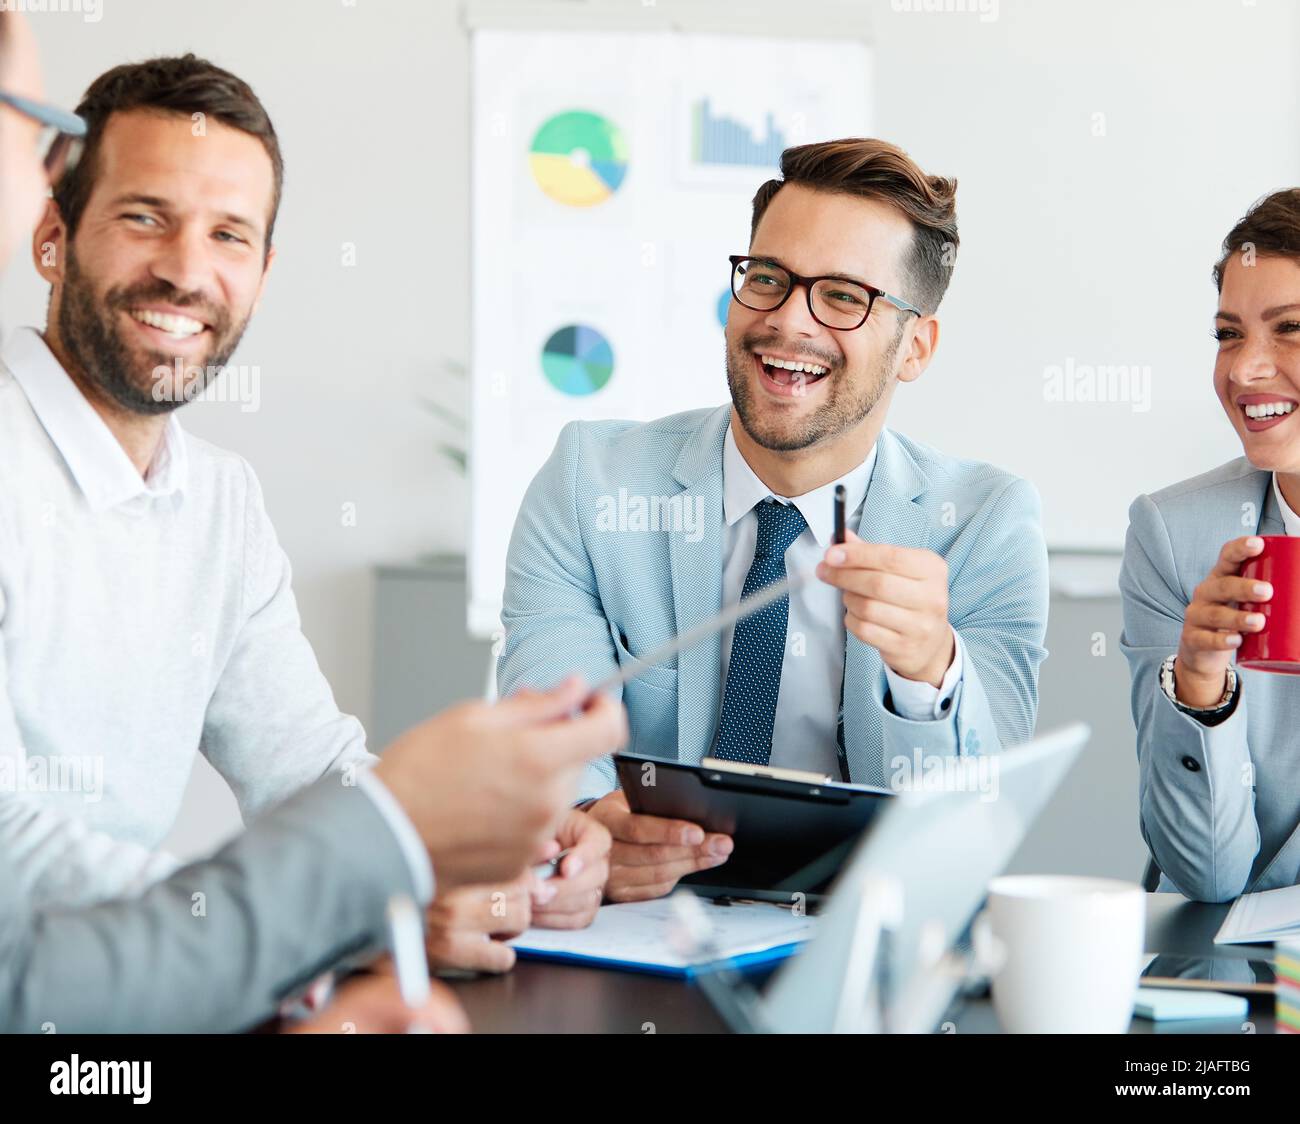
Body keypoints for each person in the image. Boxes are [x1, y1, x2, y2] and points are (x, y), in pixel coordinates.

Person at [0, 9, 627, 1031]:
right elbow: (9, 865)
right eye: (145, 216)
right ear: (51, 235)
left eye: (228, 235)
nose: (187, 270)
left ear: (263, 272)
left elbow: (308, 765)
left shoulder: (221, 499)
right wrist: (345, 899)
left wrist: (500, 845)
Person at [498, 138, 1050, 903]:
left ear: (915, 346)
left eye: (844, 296)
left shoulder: (985, 524)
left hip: (861, 951)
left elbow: (971, 834)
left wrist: (928, 673)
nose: (789, 321)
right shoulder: (591, 485)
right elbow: (548, 743)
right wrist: (590, 824)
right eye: (768, 279)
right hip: (639, 932)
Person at [1120, 188, 1300, 903]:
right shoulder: (1174, 536)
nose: (1245, 369)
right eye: (1229, 334)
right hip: (1252, 968)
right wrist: (1200, 686)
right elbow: (1206, 875)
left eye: (1290, 327)